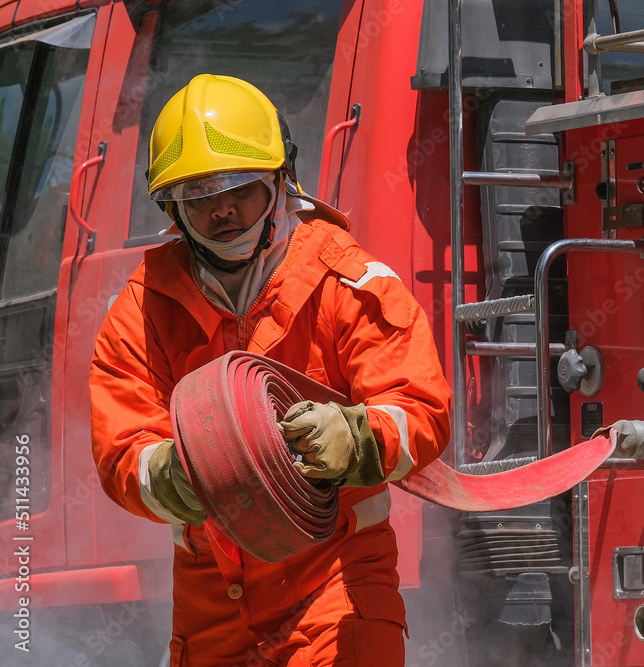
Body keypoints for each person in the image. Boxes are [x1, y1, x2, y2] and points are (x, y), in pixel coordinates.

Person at [89, 73, 451, 666]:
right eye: (198, 193)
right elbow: (121, 447)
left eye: (240, 186)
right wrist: (173, 475)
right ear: (172, 207)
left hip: (335, 589)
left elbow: (420, 408)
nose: (222, 208)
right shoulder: (141, 307)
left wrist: (356, 436)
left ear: (281, 182)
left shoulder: (349, 282)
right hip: (212, 609)